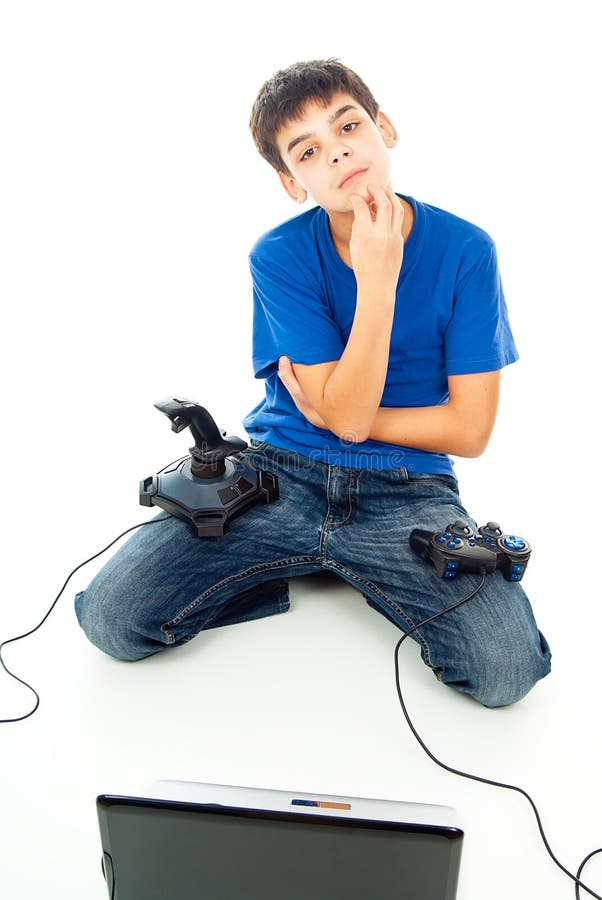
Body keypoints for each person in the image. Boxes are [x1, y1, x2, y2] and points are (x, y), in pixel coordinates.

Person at [75, 59, 551, 708]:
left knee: (505, 672)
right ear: (291, 182)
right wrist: (374, 286)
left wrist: (342, 413)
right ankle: (301, 565)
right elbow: (342, 414)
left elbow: (467, 431)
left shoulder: (467, 249)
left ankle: (356, 566)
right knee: (113, 618)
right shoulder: (280, 255)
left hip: (408, 489)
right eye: (309, 151)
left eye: (349, 125)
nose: (339, 153)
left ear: (384, 127)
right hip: (281, 472)